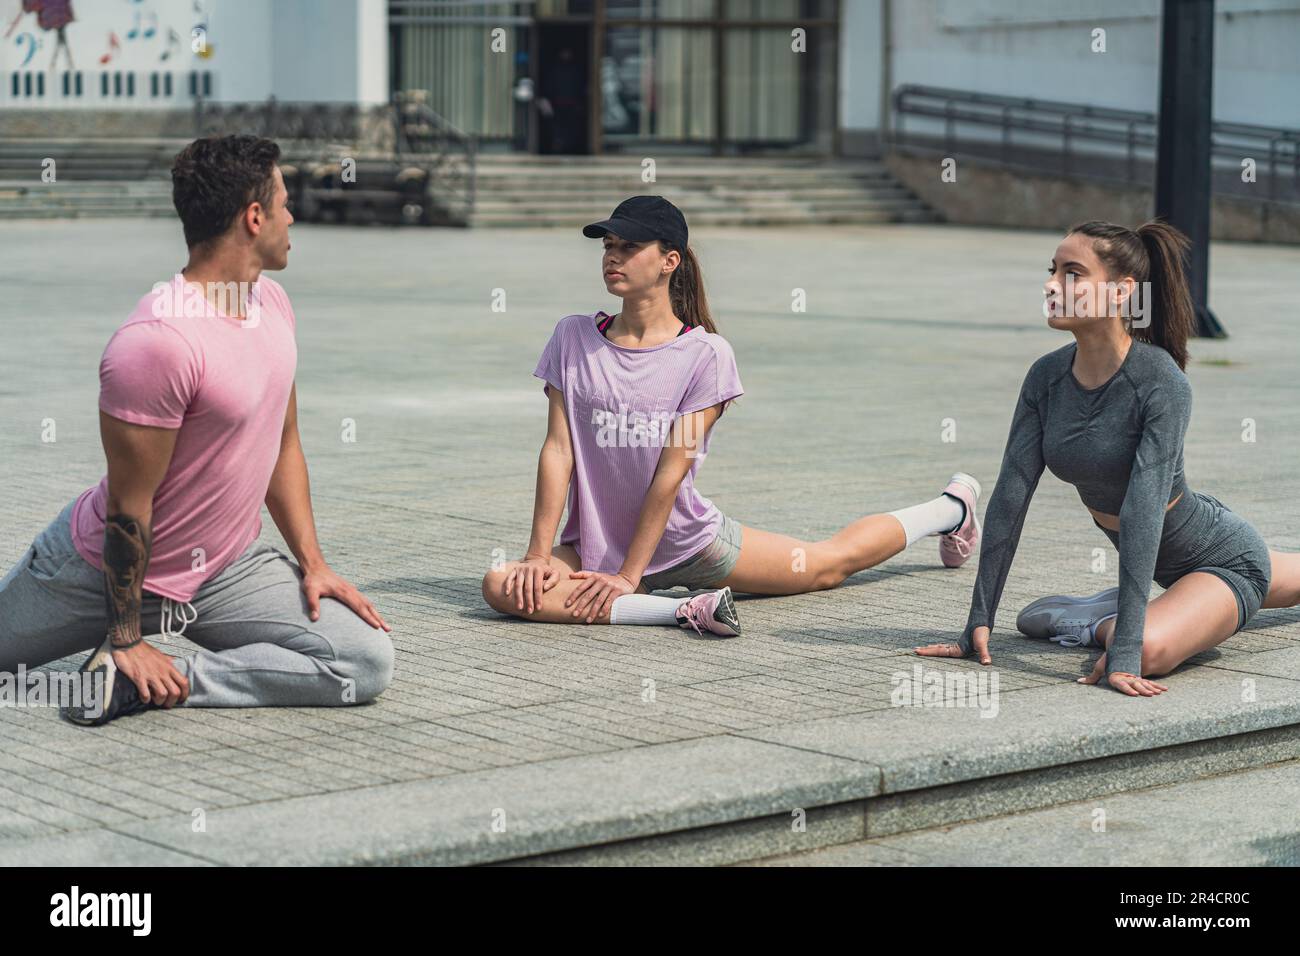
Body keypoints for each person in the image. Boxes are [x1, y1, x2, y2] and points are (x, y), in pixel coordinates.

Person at [0, 134, 394, 725]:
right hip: (94, 577)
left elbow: (283, 443)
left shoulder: (274, 305)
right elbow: (128, 510)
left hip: (223, 570)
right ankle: (124, 654)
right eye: (285, 203)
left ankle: (132, 685)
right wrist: (128, 635)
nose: (293, 217)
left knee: (363, 662)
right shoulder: (158, 342)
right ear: (254, 217)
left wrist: (313, 562)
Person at [481, 195, 984, 635]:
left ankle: (950, 509)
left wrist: (629, 578)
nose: (613, 257)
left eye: (629, 247)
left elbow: (669, 475)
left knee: (828, 565)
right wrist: (535, 556)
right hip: (591, 547)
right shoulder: (573, 338)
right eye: (608, 246)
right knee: (502, 586)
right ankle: (680, 611)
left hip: (689, 543)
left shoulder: (705, 355)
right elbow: (558, 450)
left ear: (668, 261)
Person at [918, 219, 1300, 696]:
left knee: (1145, 651)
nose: (1051, 284)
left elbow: (1141, 513)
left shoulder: (1160, 381)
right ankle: (1118, 610)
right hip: (1157, 562)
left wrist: (1123, 652)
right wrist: (977, 623)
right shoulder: (1046, 378)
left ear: (1122, 292)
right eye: (1052, 270)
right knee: (1029, 620)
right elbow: (1011, 498)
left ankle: (1114, 622)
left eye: (1072, 273)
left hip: (1224, 558)